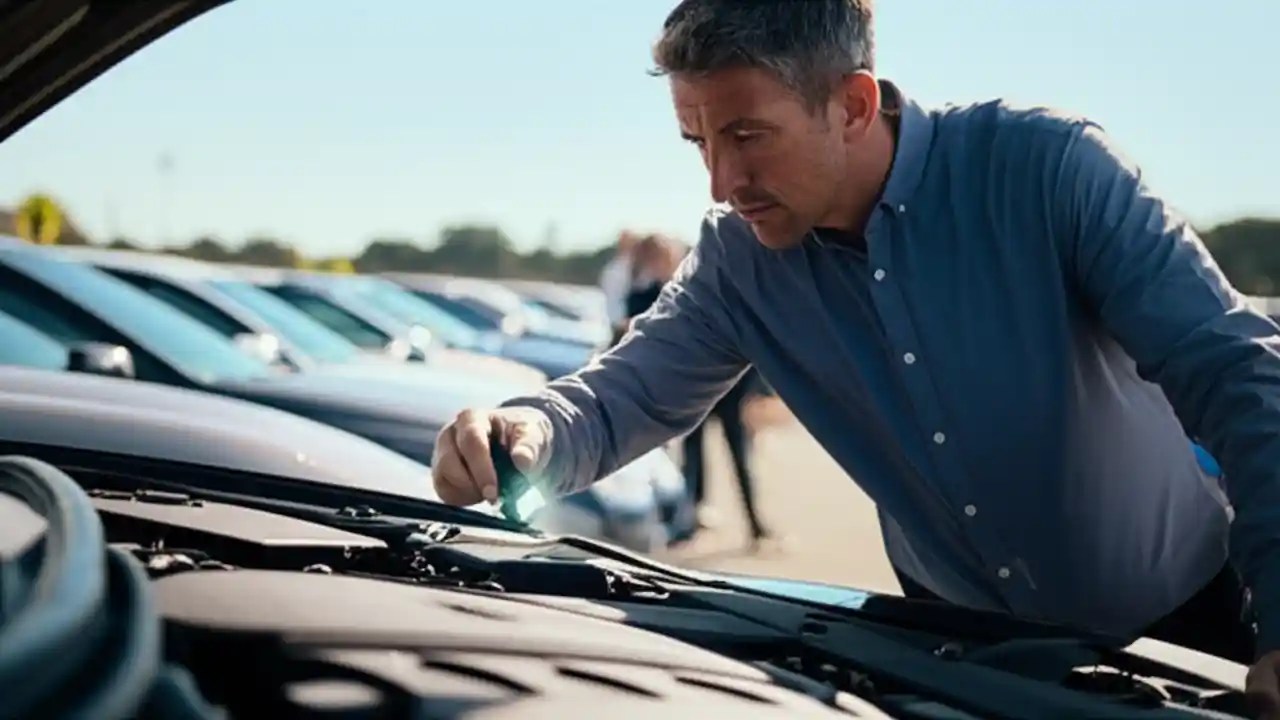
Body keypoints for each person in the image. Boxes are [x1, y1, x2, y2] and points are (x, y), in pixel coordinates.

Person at [430, 2, 1280, 715]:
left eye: (748, 135)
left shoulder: (1051, 171)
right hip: (948, 663)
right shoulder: (738, 261)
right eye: (698, 142)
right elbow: (621, 396)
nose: (721, 182)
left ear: (855, 104)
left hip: (1187, 638)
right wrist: (525, 429)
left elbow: (1238, 374)